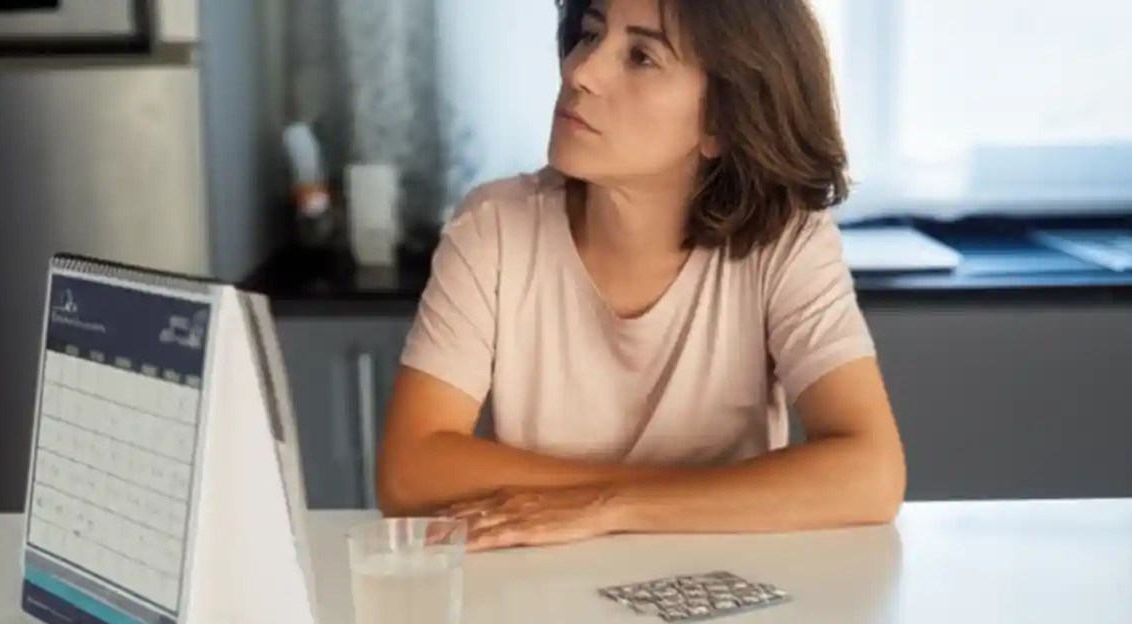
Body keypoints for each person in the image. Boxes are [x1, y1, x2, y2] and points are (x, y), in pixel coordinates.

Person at [377, 0, 906, 551]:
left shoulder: (785, 244)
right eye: (589, 34)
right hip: (536, 592)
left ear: (723, 122)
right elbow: (410, 473)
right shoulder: (494, 228)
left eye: (641, 57)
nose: (581, 72)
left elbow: (871, 474)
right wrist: (690, 498)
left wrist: (611, 507)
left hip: (726, 593)